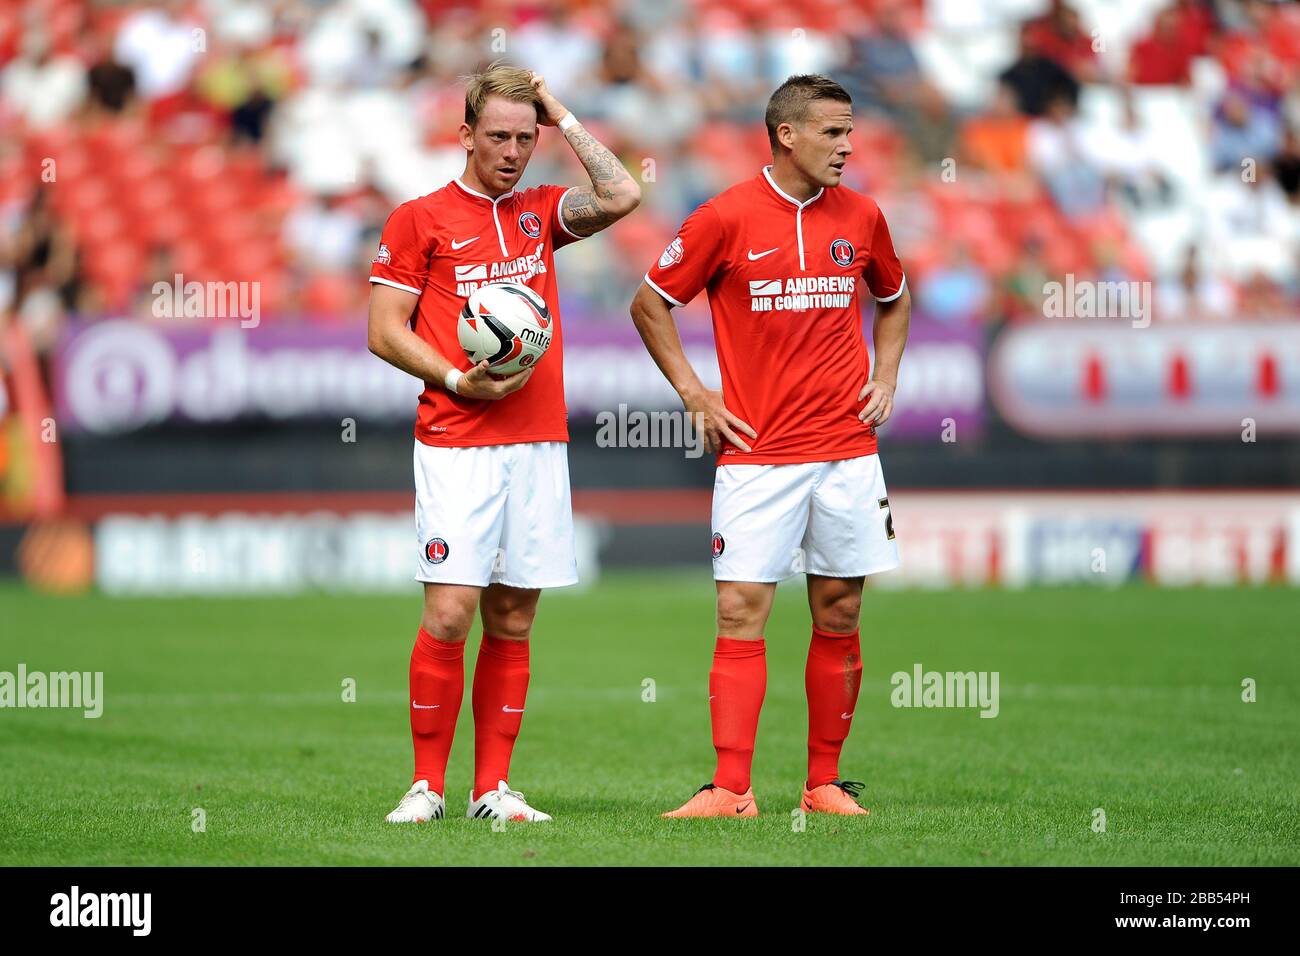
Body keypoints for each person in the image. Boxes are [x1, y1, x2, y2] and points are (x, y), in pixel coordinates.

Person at [629, 74, 910, 818]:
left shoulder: (865, 216)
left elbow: (895, 298)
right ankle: (731, 789)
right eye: (834, 133)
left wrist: (886, 377)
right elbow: (650, 303)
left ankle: (822, 784)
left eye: (851, 133)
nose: (848, 147)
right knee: (741, 611)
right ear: (787, 134)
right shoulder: (724, 216)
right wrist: (696, 394)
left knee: (841, 609)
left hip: (847, 449)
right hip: (758, 454)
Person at [367, 62, 640, 824]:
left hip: (537, 440)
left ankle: (494, 789)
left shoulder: (542, 212)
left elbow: (624, 194)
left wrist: (563, 112)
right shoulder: (418, 219)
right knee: (451, 613)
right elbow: (383, 331)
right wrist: (457, 380)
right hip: (456, 438)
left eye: (526, 137)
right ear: (465, 135)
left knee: (514, 618)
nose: (514, 151)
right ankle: (426, 786)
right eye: (498, 136)